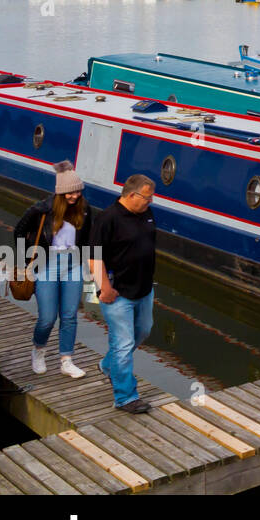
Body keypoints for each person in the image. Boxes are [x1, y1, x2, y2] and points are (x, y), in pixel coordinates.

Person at [86, 175, 158, 414]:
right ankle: (126, 397)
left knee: (143, 332)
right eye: (147, 197)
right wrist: (104, 288)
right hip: (118, 294)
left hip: (144, 290)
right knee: (123, 344)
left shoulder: (146, 213)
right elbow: (94, 257)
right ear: (131, 195)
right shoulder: (107, 219)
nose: (150, 201)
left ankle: (108, 365)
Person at [15, 161, 91, 378]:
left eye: (77, 191)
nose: (74, 195)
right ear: (60, 193)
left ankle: (66, 360)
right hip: (46, 265)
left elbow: (88, 241)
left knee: (69, 316)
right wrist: (26, 261)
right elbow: (19, 231)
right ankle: (38, 350)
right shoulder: (41, 209)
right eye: (70, 192)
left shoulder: (85, 211)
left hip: (73, 266)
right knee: (47, 317)